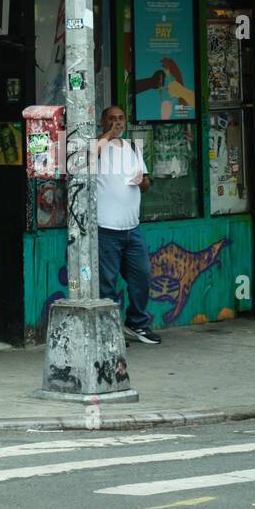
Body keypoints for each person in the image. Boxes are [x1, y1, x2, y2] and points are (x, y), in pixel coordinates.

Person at [95, 104, 161, 346]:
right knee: (107, 284)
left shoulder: (133, 147)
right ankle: (110, 331)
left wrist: (143, 182)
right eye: (112, 118)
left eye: (121, 118)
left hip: (132, 228)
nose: (117, 122)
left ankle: (137, 323)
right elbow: (88, 159)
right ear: (103, 122)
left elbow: (146, 181)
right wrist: (108, 135)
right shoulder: (97, 146)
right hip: (106, 229)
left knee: (141, 277)